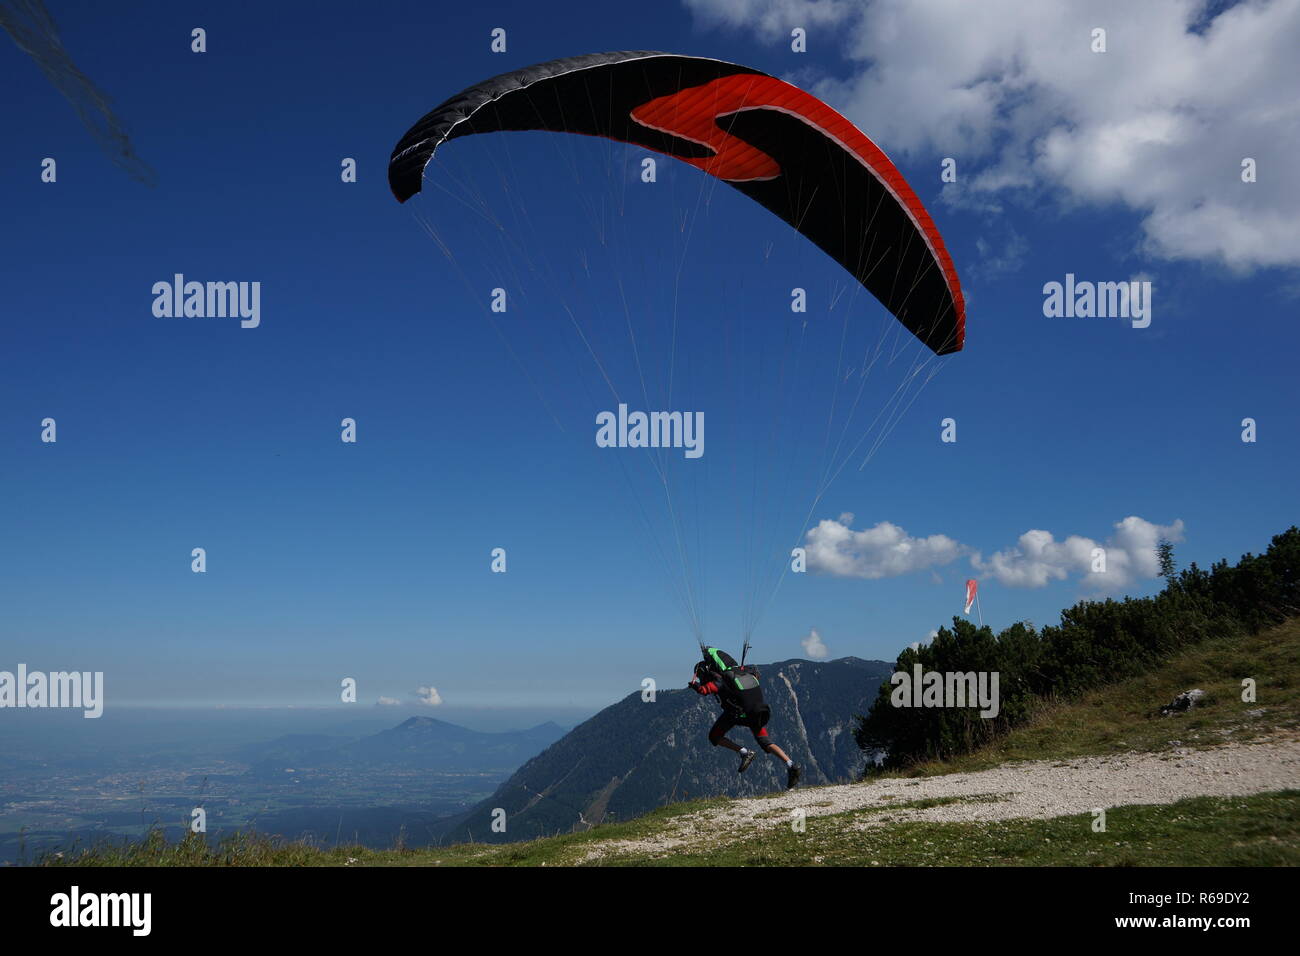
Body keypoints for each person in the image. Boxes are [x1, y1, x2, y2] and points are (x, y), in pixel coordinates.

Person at [689, 646, 801, 790]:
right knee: (765, 741)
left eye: (699, 675)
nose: (700, 678)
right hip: (757, 712)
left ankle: (744, 752)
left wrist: (695, 686)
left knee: (714, 736)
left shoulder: (719, 680)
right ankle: (791, 764)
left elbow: (704, 690)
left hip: (738, 714)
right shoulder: (743, 673)